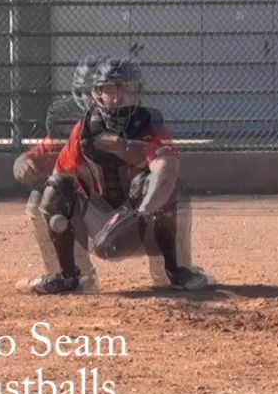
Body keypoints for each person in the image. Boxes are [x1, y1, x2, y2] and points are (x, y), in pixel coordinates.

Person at [25, 56, 211, 295]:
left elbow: (166, 170)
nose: (117, 97)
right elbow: (59, 179)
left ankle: (175, 271)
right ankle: (69, 276)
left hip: (143, 224)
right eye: (109, 90)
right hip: (99, 227)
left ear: (138, 92)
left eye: (126, 89)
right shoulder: (84, 130)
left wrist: (141, 212)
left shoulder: (149, 125)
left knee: (173, 189)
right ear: (97, 94)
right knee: (51, 191)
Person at [12, 54, 109, 293]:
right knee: (40, 201)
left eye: (99, 91)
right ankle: (70, 275)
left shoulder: (123, 119)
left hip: (117, 202)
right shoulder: (67, 120)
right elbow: (42, 152)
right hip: (85, 200)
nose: (91, 99)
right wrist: (22, 163)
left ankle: (170, 275)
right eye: (87, 92)